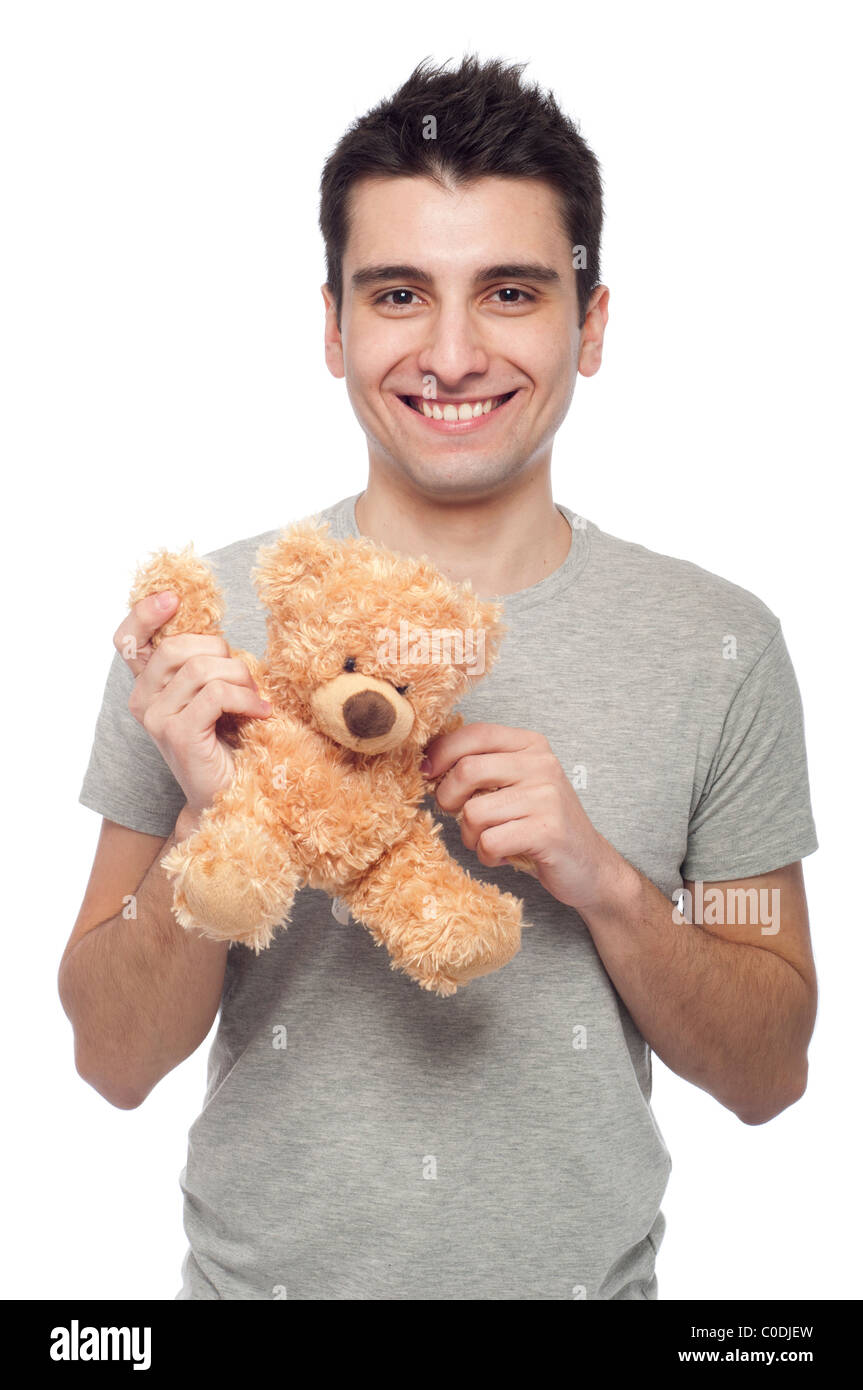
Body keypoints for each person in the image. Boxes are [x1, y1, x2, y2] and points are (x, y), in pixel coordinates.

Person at [59, 55, 819, 1301]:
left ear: (591, 321)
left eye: (509, 291)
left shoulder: (715, 642)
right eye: (400, 292)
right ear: (332, 326)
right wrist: (208, 819)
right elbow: (108, 1056)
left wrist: (609, 887)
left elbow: (769, 1067)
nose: (452, 352)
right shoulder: (203, 629)